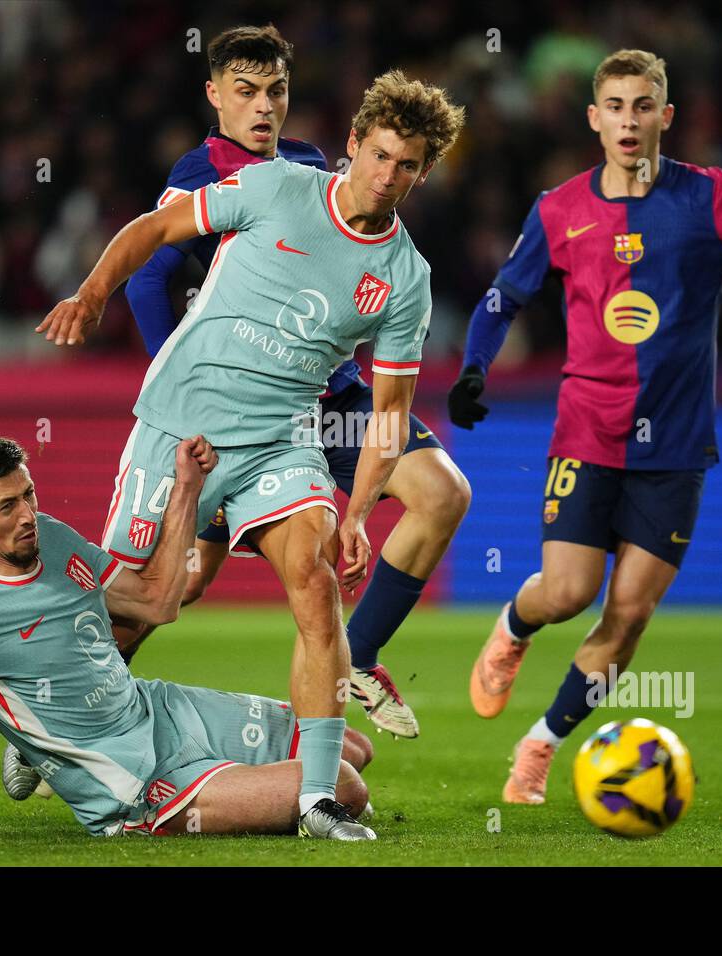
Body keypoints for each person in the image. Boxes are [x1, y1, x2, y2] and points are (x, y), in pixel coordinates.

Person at [37, 71, 465, 833]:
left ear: (425, 173)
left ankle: (315, 800)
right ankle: (52, 718)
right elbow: (156, 231)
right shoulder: (275, 187)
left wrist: (359, 512)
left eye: (408, 166)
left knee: (316, 577)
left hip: (282, 438)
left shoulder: (405, 277)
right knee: (140, 599)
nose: (388, 176)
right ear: (353, 146)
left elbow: (391, 415)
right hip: (181, 422)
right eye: (380, 156)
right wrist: (94, 292)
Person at [448, 50, 722, 804]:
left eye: (643, 105)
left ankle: (539, 747)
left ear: (666, 117)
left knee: (626, 619)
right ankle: (514, 629)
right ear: (594, 118)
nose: (629, 119)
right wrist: (473, 370)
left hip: (678, 445)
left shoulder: (712, 197)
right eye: (615, 106)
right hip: (588, 432)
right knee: (567, 593)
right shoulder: (559, 208)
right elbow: (502, 299)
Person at [123, 25, 471, 740]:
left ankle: (359, 656)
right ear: (214, 97)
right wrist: (187, 393)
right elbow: (149, 275)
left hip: (331, 394)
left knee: (441, 494)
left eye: (276, 92)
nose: (264, 108)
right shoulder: (199, 171)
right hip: (237, 407)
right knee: (181, 581)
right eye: (246, 93)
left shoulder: (312, 164)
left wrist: (363, 511)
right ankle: (79, 695)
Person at [0, 435, 376, 844]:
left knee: (351, 748)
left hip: (159, 709)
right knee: (342, 787)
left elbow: (158, 601)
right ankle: (61, 763)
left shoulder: (52, 537)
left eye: (28, 494)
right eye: (7, 506)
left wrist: (187, 490)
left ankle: (32, 752)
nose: (28, 514)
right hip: (136, 780)